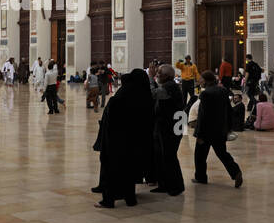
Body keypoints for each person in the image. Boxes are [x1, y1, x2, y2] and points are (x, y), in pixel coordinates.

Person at [93, 68, 153, 209]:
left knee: (111, 170)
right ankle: (130, 199)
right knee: (129, 170)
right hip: (135, 141)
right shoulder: (145, 96)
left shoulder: (122, 96)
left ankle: (108, 200)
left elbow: (112, 119)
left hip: (117, 140)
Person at [192, 71, 242, 188]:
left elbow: (203, 116)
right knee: (222, 153)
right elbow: (229, 111)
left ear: (206, 80)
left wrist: (199, 134)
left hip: (206, 131)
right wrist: (228, 128)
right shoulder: (223, 90)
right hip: (220, 129)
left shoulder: (205, 94)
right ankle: (235, 172)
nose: (199, 82)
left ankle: (201, 177)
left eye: (201, 80)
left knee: (200, 155)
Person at [150, 65, 185, 196]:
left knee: (169, 156)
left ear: (167, 76)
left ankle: (176, 186)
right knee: (161, 157)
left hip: (171, 127)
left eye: (159, 73)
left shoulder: (170, 86)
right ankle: (164, 184)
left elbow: (153, 93)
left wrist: (149, 78)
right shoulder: (167, 85)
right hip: (165, 126)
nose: (157, 75)